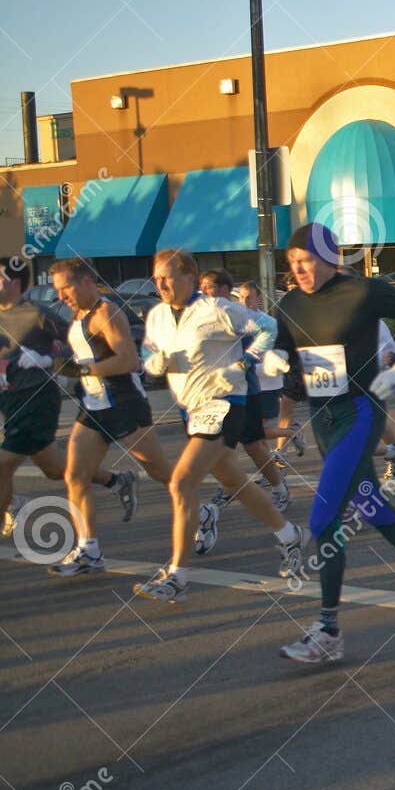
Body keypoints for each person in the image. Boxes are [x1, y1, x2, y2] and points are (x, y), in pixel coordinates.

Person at [270, 224, 395, 663]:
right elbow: (286, 357)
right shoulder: (290, 304)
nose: (299, 270)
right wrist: (276, 363)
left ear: (331, 257)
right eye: (293, 264)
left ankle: (329, 630)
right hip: (323, 416)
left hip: (360, 410)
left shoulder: (362, 291)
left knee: (321, 520)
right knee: (370, 504)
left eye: (307, 261)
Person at [134, 250, 313, 601]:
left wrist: (245, 362)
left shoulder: (216, 309)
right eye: (156, 278)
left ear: (189, 276)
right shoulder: (156, 316)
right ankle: (291, 534)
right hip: (191, 409)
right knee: (235, 481)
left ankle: (177, 576)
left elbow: (268, 327)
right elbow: (148, 357)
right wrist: (155, 362)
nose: (161, 284)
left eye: (167, 276)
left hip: (225, 404)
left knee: (182, 482)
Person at [46, 259, 162, 576]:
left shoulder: (106, 313)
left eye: (66, 287)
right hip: (93, 403)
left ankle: (201, 513)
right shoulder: (79, 313)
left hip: (124, 402)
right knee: (75, 475)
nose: (61, 295)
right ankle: (89, 551)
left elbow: (127, 360)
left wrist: (81, 369)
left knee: (163, 473)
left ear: (86, 282)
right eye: (57, 289)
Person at [0, 264, 134, 535]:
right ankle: (117, 480)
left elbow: (76, 343)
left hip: (37, 399)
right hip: (9, 400)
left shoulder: (38, 314)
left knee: (3, 464)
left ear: (14, 283)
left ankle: (7, 512)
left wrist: (49, 360)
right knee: (53, 467)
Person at [197, 270, 291, 515]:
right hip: (212, 393)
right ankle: (228, 487)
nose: (208, 291)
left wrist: (246, 362)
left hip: (244, 390)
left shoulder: (240, 315)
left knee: (253, 446)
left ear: (228, 291)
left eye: (213, 287)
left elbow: (268, 332)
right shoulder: (198, 315)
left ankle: (279, 487)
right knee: (217, 447)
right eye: (204, 287)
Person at [233, 280, 305, 461]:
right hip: (246, 382)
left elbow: (281, 351)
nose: (245, 301)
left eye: (249, 297)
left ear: (258, 298)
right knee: (253, 433)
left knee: (254, 431)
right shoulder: (236, 322)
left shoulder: (268, 322)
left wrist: (273, 361)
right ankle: (270, 467)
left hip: (267, 382)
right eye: (241, 297)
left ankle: (291, 432)